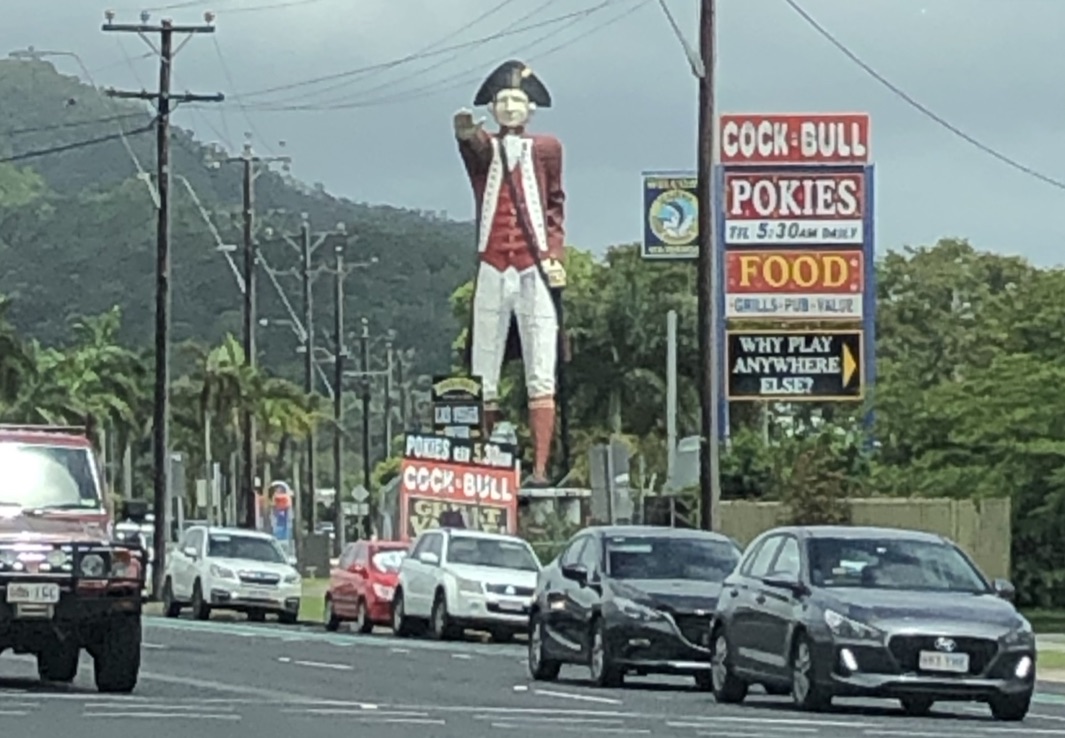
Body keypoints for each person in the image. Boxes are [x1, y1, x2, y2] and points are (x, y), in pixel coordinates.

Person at [454, 59, 566, 487]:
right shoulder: (487, 151)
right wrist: (464, 130)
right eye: (503, 99)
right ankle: (488, 457)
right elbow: (474, 146)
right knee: (484, 363)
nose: (510, 106)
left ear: (531, 108)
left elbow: (555, 202)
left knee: (542, 365)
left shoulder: (547, 148)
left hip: (533, 264)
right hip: (491, 263)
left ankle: (539, 468)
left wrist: (555, 253)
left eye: (517, 99)